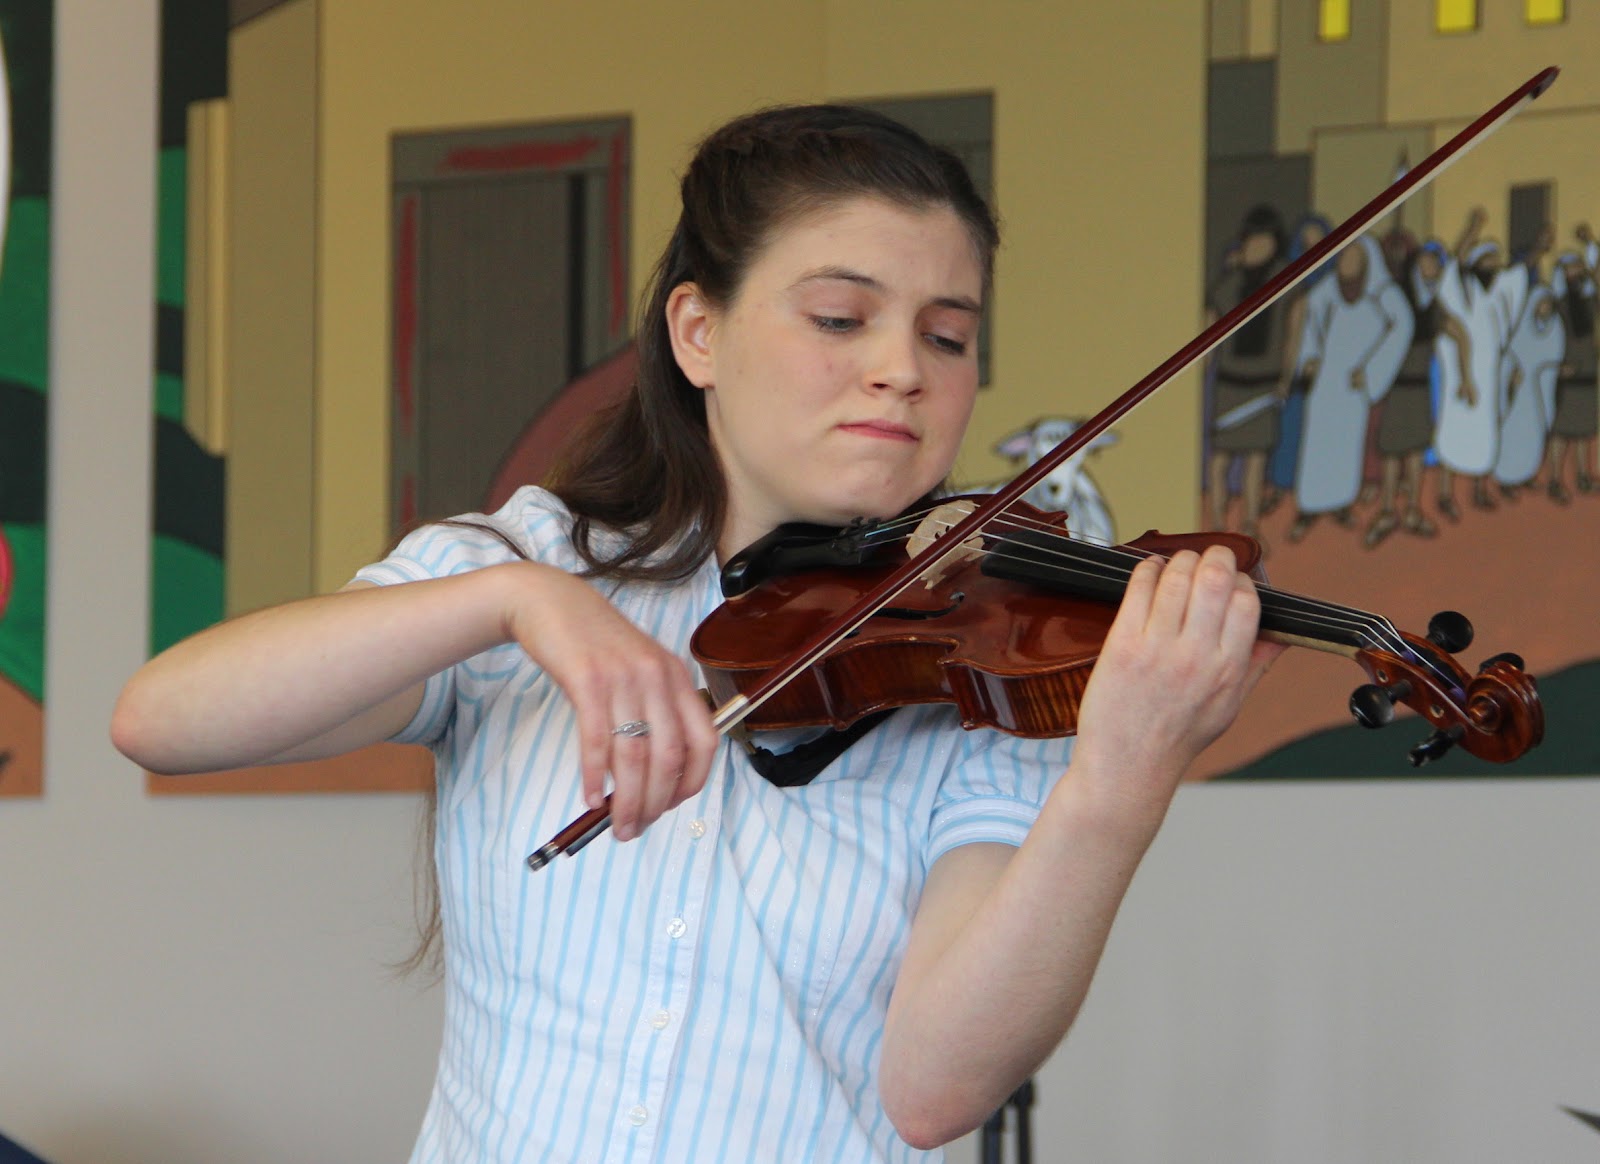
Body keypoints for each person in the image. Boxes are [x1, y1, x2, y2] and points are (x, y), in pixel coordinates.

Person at [110, 105, 1278, 1162]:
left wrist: (1123, 776)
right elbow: (163, 720)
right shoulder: (531, 566)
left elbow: (934, 1091)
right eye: (839, 316)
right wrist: (511, 601)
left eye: (945, 337)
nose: (900, 371)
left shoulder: (977, 676)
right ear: (697, 335)